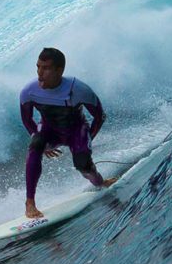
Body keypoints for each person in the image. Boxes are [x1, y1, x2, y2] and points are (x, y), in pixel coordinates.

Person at [19, 47, 113, 218]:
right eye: (38, 67)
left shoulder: (79, 89)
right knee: (36, 144)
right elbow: (27, 120)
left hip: (76, 130)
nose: (40, 73)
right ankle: (30, 203)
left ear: (59, 70)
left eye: (46, 68)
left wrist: (89, 138)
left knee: (82, 164)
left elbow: (99, 116)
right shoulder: (29, 91)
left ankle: (100, 182)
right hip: (49, 130)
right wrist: (40, 140)